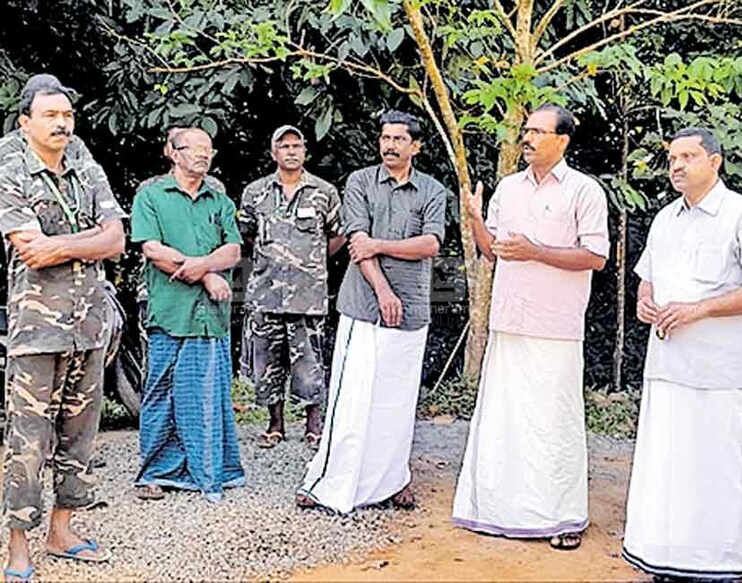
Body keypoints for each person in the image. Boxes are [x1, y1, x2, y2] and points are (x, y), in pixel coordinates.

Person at [620, 127, 742, 580]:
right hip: (667, 362)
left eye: (688, 156)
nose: (676, 165)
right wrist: (644, 299)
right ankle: (662, 557)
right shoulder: (665, 219)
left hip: (719, 367)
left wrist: (700, 309)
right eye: (672, 157)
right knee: (665, 463)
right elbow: (647, 276)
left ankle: (717, 562)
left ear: (715, 162)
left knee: (716, 466)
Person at [453, 104, 609, 550]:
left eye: (539, 132)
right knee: (507, 420)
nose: (528, 138)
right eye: (526, 130)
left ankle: (563, 518)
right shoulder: (509, 187)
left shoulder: (584, 191)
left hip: (556, 325)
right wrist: (476, 218)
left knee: (554, 423)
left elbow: (596, 257)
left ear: (563, 141)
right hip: (509, 320)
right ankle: (499, 510)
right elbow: (492, 251)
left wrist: (536, 250)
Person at [0, 74, 123, 579]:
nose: (61, 124)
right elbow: (26, 244)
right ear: (26, 121)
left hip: (89, 324)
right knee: (27, 440)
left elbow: (115, 238)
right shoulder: (10, 164)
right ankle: (17, 547)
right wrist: (84, 239)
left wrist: (62, 245)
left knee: (80, 435)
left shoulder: (83, 161)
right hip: (36, 328)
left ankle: (62, 529)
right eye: (50, 116)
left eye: (67, 115)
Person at [296, 111, 446, 513]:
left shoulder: (431, 190)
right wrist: (382, 290)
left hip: (412, 308)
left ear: (416, 146)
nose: (390, 145)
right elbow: (355, 242)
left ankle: (393, 480)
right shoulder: (360, 181)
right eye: (385, 138)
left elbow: (430, 243)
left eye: (399, 139)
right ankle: (326, 482)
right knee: (352, 399)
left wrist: (378, 246)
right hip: (363, 305)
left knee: (396, 402)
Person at [131, 127, 245, 502]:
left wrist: (210, 266)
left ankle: (211, 471)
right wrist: (208, 273)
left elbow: (233, 250)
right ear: (172, 152)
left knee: (208, 393)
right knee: (161, 393)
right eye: (193, 148)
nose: (202, 155)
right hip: (169, 310)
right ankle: (155, 472)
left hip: (210, 315)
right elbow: (152, 249)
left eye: (207, 149)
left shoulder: (219, 199)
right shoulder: (151, 196)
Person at [239, 125, 344, 449]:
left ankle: (313, 425)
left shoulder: (324, 192)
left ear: (305, 152)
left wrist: (312, 260)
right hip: (266, 292)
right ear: (274, 153)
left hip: (307, 295)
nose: (291, 151)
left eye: (296, 145)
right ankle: (275, 425)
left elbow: (339, 233)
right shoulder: (255, 192)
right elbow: (246, 232)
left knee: (310, 361)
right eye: (284, 146)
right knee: (268, 361)